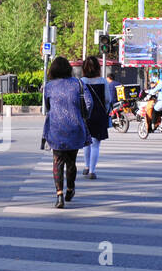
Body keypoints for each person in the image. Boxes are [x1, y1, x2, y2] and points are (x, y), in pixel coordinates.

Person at [42, 56, 92, 208]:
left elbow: (47, 107)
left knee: (57, 162)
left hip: (56, 129)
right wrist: (82, 118)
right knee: (71, 162)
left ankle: (59, 196)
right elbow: (89, 103)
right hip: (75, 128)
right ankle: (70, 188)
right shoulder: (78, 83)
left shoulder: (49, 86)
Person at [80, 56, 116, 179]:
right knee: (95, 143)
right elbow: (107, 99)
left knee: (86, 142)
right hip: (99, 114)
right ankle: (92, 171)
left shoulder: (81, 81)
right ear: (98, 68)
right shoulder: (103, 81)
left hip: (85, 115)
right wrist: (105, 111)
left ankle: (86, 166)